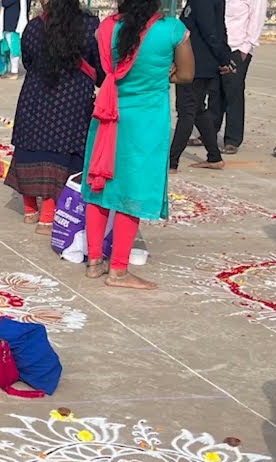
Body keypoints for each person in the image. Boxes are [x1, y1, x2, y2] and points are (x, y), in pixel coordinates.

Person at [81, 0, 194, 290]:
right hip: (146, 120)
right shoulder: (171, 30)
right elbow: (186, 75)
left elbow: (104, 70)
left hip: (108, 113)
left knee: (100, 184)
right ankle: (118, 270)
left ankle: (94, 261)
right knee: (133, 191)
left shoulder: (105, 28)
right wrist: (160, 75)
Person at [4, 0, 100, 234]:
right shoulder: (90, 26)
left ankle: (30, 209)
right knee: (63, 153)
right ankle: (48, 214)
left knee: (31, 147)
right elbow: (99, 64)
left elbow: (28, 60)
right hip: (72, 98)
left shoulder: (35, 26)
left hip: (36, 95)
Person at [169, 0, 231, 172]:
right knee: (197, 110)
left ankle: (172, 162)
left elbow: (212, 30)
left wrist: (224, 57)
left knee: (186, 110)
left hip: (196, 65)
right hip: (201, 63)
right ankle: (214, 157)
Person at [207, 0, 265, 153]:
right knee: (214, 91)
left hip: (237, 48)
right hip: (217, 47)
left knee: (233, 92)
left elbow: (257, 20)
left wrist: (245, 49)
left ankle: (232, 139)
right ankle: (209, 132)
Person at [0, 0, 28, 77]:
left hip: (12, 24)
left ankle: (14, 72)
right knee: (11, 47)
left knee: (13, 48)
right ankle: (12, 70)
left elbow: (5, 3)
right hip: (14, 23)